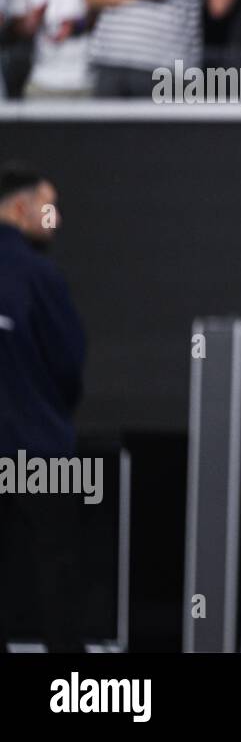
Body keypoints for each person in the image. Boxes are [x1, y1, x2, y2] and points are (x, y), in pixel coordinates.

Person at [0, 163, 86, 652]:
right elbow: (69, 362)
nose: (55, 219)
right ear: (19, 208)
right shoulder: (40, 277)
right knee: (58, 571)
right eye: (47, 208)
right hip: (41, 450)